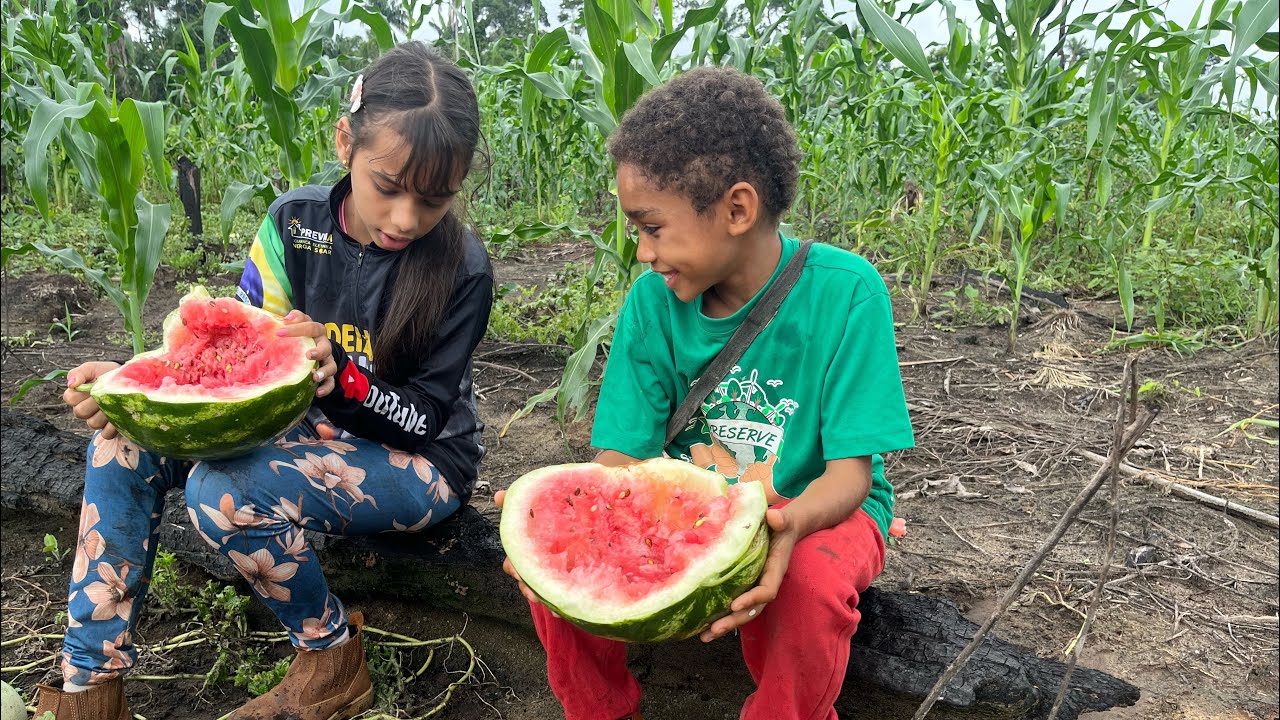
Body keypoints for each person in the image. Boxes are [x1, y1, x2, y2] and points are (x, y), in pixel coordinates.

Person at [36, 41, 494, 720]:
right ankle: (89, 687)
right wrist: (135, 391)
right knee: (118, 449)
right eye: (388, 187)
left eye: (435, 199)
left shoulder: (463, 270)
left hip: (420, 462)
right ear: (346, 142)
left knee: (224, 494)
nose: (406, 219)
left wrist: (346, 385)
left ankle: (331, 656)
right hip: (304, 429)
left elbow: (427, 418)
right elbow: (234, 367)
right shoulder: (292, 224)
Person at [497, 67, 915, 720]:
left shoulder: (847, 293)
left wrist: (785, 527)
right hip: (690, 511)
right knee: (559, 585)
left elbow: (850, 478)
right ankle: (599, 711)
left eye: (653, 228)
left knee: (809, 587)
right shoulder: (650, 305)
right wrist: (567, 525)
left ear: (737, 210)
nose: (641, 252)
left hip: (819, 511)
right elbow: (621, 461)